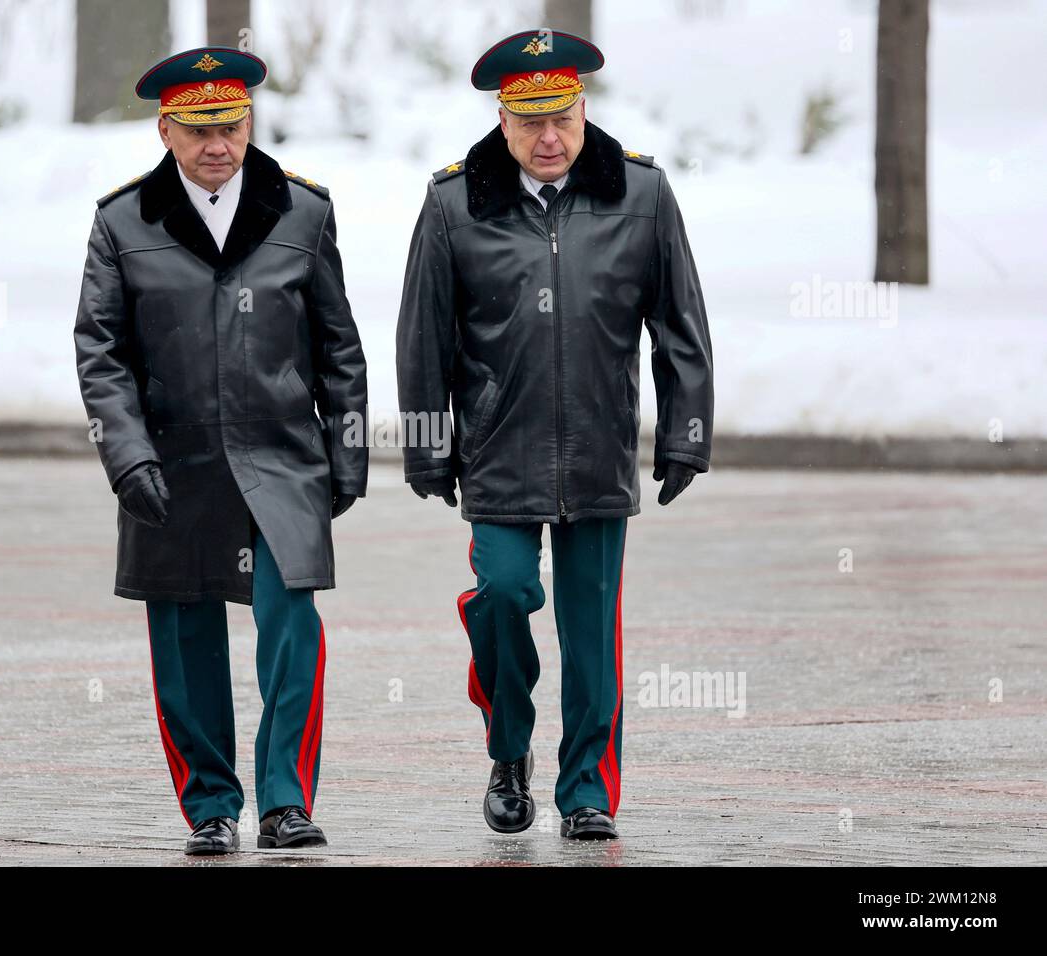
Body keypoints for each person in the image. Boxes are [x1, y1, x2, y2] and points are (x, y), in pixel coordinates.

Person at [396, 29, 714, 840]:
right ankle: (509, 752)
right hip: (496, 451)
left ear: (584, 110)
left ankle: (587, 793)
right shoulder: (453, 202)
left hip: (599, 450)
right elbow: (424, 338)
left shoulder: (641, 195)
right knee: (503, 594)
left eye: (561, 119)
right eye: (528, 121)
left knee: (591, 627)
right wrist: (431, 445)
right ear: (502, 121)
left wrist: (686, 434)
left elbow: (680, 326)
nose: (547, 139)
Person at [73, 46, 368, 855]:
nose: (219, 145)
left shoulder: (301, 212)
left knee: (291, 622)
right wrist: (128, 458)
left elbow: (339, 346)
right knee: (184, 637)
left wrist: (348, 455)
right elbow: (100, 352)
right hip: (172, 464)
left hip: (283, 460)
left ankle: (285, 801)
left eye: (232, 126)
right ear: (166, 130)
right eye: (200, 129)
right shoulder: (122, 222)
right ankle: (210, 805)